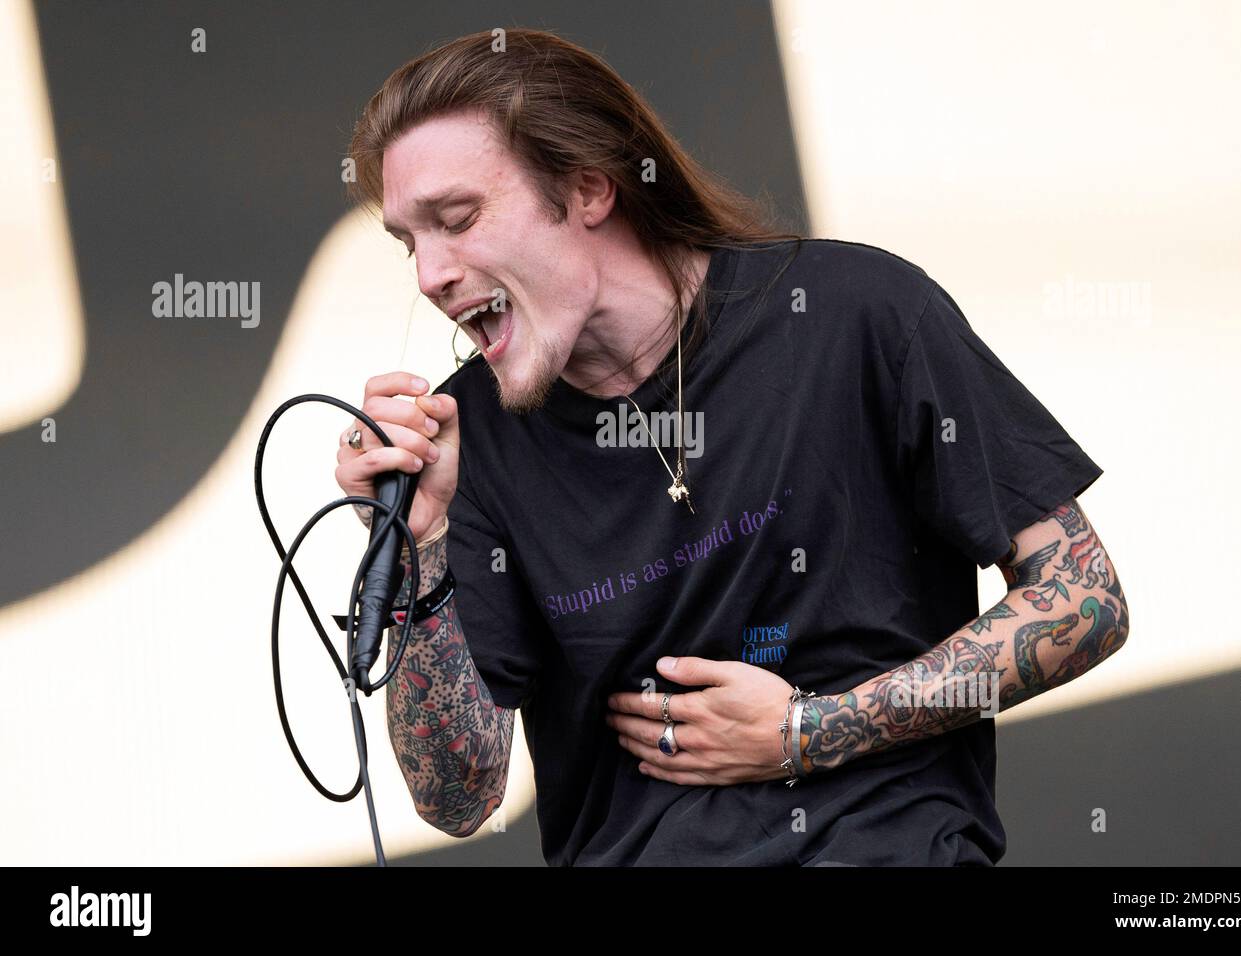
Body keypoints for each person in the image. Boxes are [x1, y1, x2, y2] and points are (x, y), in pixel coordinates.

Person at [333, 28, 1130, 866]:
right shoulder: (468, 444)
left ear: (590, 190)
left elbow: (1086, 600)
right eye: (408, 243)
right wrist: (420, 547)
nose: (429, 275)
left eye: (456, 220)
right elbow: (458, 798)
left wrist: (807, 731)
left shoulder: (854, 313)